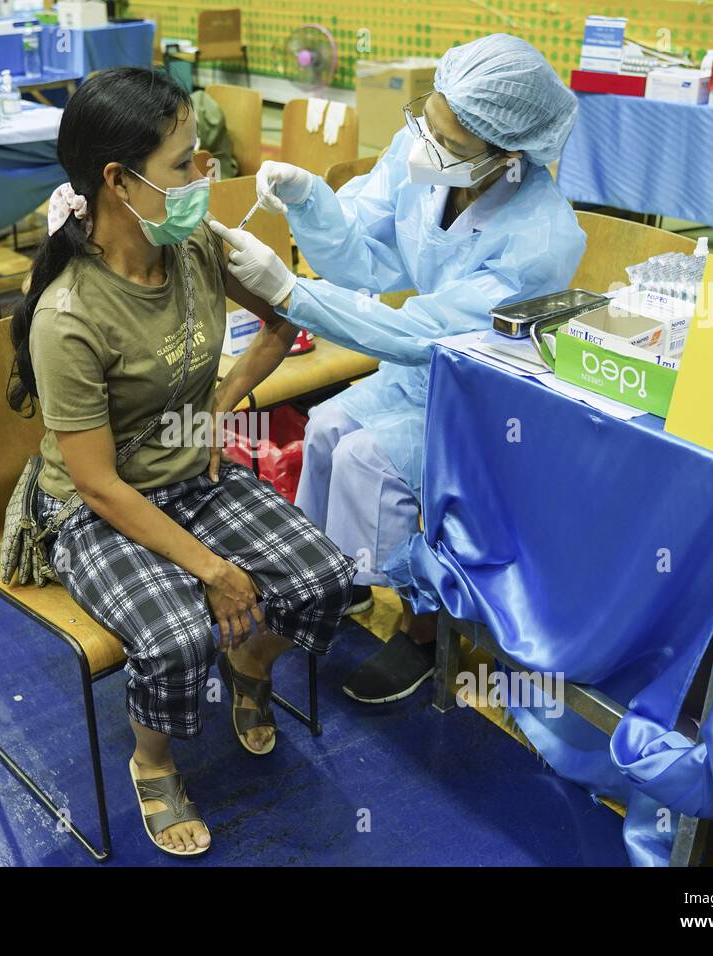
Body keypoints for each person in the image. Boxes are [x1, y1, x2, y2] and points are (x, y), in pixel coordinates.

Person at [11, 68, 355, 856]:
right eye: (183, 164)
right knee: (174, 638)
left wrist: (223, 401)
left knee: (328, 580)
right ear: (115, 181)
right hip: (96, 509)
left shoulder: (193, 242)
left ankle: (250, 670)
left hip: (189, 475)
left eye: (202, 156)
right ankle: (154, 762)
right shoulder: (69, 317)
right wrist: (214, 570)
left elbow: (279, 321)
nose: (206, 176)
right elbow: (95, 482)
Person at [211, 34, 586, 705]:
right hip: (421, 370)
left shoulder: (540, 240)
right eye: (429, 119)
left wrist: (291, 293)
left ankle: (419, 628)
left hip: (486, 390)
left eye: (451, 138)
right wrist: (309, 200)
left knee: (368, 463)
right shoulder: (432, 158)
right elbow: (363, 255)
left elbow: (422, 332)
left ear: (508, 154)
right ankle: (340, 581)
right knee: (325, 429)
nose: (426, 144)